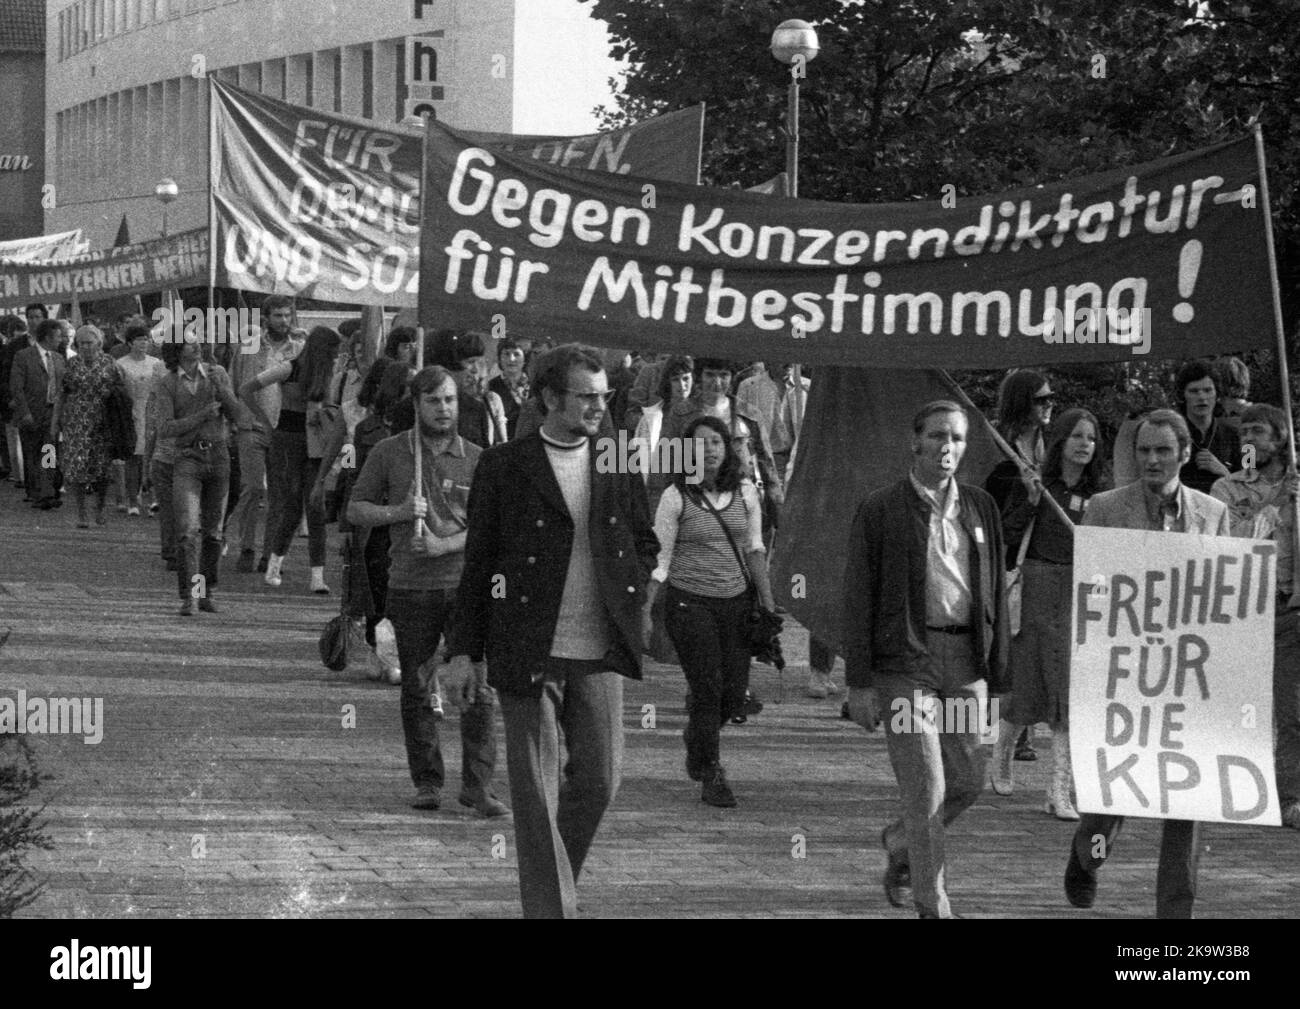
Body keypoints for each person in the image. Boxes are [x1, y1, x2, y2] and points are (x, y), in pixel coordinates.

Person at [448, 343, 658, 918]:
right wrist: (465, 650)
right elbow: (481, 563)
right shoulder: (505, 465)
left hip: (600, 649)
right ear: (548, 397)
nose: (598, 406)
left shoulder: (618, 457)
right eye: (585, 396)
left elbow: (644, 538)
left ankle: (555, 883)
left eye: (603, 396)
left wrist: (636, 587)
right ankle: (552, 909)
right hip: (527, 647)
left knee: (600, 780)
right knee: (536, 798)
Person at [841, 400, 1009, 919]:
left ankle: (900, 841)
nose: (947, 447)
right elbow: (858, 596)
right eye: (937, 436)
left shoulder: (981, 507)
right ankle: (933, 904)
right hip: (904, 665)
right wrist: (859, 683)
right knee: (927, 785)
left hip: (964, 663)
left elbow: (996, 595)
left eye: (957, 438)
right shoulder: (882, 509)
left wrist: (998, 678)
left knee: (967, 781)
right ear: (915, 442)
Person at [1063, 409, 1231, 918]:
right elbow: (1088, 592)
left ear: (1183, 452)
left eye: (1162, 450)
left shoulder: (1213, 513)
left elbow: (1224, 596)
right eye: (1143, 451)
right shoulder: (1104, 508)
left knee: (1188, 802)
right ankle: (1086, 857)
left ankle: (1175, 919)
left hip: (1188, 677)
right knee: (1116, 794)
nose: (1152, 460)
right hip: (1127, 674)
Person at [346, 365, 505, 815]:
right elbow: (356, 509)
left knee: (478, 684)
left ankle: (478, 785)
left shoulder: (479, 458)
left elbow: (488, 530)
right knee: (416, 686)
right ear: (416, 404)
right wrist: (398, 511)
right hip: (410, 587)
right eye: (433, 400)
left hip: (466, 588)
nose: (443, 408)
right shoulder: (389, 452)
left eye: (450, 400)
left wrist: (444, 544)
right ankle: (428, 782)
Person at [644, 415, 774, 807]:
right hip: (688, 603)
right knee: (707, 687)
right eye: (700, 444)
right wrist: (645, 608)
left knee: (734, 695)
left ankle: (697, 737)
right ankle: (711, 771)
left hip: (735, 603)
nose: (710, 450)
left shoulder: (747, 493)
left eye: (716, 442)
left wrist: (768, 605)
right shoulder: (676, 497)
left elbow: (755, 549)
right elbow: (660, 559)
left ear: (727, 448)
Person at [992, 408, 1111, 818]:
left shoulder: (1103, 495)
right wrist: (1027, 499)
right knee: (1028, 684)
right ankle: (1002, 751)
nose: (1084, 444)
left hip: (1081, 592)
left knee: (1068, 692)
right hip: (1038, 587)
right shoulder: (1040, 485)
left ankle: (1059, 788)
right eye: (1077, 436)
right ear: (1061, 441)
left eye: (1091, 438)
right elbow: (1006, 533)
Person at [1209, 403, 1300, 830]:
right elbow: (1222, 546)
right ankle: (1232, 789)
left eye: (1258, 431)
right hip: (1242, 612)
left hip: (1288, 608)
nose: (1248, 438)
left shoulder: (1298, 487)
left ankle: (1290, 798)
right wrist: (1267, 513)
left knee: (1291, 710)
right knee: (1237, 708)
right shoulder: (1226, 490)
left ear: (1280, 439)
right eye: (1244, 431)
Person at [984, 368, 1054, 762]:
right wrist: (1026, 501)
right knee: (1008, 646)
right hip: (1011, 558)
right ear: (1021, 402)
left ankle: (1021, 728)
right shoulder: (999, 451)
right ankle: (1004, 728)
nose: (1048, 406)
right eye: (1041, 399)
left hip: (1045, 555)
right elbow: (994, 521)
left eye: (1051, 399)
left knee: (1033, 646)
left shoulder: (1052, 446)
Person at [241, 326, 341, 594]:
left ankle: (317, 576)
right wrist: (263, 420)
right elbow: (247, 389)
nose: (334, 358)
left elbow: (330, 406)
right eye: (331, 353)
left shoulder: (328, 372)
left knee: (316, 506)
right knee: (292, 506)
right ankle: (274, 563)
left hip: (315, 442)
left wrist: (325, 415)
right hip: (286, 438)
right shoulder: (289, 368)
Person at [156, 334, 242, 616]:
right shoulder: (168, 383)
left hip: (218, 455)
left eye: (197, 341)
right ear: (177, 350)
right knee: (188, 529)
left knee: (214, 530)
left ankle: (207, 592)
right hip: (187, 458)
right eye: (189, 342)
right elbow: (166, 428)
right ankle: (190, 595)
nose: (196, 345)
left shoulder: (217, 373)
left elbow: (238, 415)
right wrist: (201, 415)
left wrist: (224, 390)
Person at [226, 295, 304, 574]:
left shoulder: (299, 349)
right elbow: (236, 385)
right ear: (266, 318)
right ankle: (246, 547)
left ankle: (270, 553)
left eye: (287, 315)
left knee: (280, 496)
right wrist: (238, 421)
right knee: (253, 487)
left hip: (285, 431)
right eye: (278, 316)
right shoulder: (249, 347)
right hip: (253, 428)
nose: (283, 321)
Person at [51, 326, 125, 528]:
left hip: (103, 422)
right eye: (81, 343)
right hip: (76, 423)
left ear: (99, 344)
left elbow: (122, 392)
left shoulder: (110, 363)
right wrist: (55, 422)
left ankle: (100, 508)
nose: (84, 347)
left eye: (89, 343)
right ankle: (81, 512)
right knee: (77, 468)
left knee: (102, 469)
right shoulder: (72, 364)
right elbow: (62, 394)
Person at [10, 319, 67, 511]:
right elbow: (16, 387)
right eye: (58, 336)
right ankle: (36, 493)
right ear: (47, 337)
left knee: (49, 452)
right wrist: (24, 412)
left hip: (52, 413)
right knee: (33, 453)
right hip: (31, 412)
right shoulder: (23, 356)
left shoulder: (59, 358)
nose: (61, 340)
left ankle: (47, 491)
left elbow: (63, 386)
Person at [115, 324, 166, 516]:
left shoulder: (156, 363)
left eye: (146, 339)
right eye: (139, 339)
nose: (143, 343)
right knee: (133, 458)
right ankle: (133, 500)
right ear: (129, 342)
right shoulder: (121, 364)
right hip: (131, 413)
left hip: (153, 411)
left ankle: (154, 498)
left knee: (152, 457)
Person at [1174, 359, 1239, 495]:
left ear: (1217, 394)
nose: (1202, 397)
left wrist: (1223, 471)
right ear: (1183, 395)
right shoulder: (1171, 434)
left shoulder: (1236, 435)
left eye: (1208, 390)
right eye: (1194, 391)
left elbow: (1251, 487)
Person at [487, 338, 529, 440]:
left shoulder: (536, 385)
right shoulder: (491, 386)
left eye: (516, 354)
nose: (511, 359)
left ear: (525, 360)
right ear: (499, 359)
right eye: (506, 354)